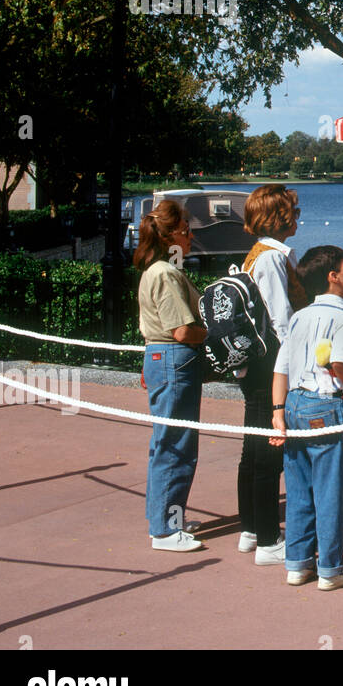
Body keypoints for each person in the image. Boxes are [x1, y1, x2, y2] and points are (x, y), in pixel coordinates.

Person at [268, 245, 343, 590]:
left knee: (300, 486)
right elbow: (339, 365)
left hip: (294, 403)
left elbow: (282, 369)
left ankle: (298, 562)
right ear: (334, 277)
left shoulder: (299, 316)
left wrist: (278, 413)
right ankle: (331, 566)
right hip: (328, 405)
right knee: (333, 489)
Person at [237, 184, 305, 566]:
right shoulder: (274, 259)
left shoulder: (255, 255)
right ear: (280, 217)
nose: (297, 218)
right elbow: (283, 320)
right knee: (268, 450)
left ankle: (251, 527)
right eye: (293, 212)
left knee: (253, 448)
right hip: (272, 365)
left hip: (255, 363)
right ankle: (267, 538)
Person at [135, 201, 207, 552]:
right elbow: (181, 330)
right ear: (169, 236)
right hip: (174, 358)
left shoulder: (160, 270)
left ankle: (167, 517)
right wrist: (213, 334)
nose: (191, 236)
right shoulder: (164, 273)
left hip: (164, 358)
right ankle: (164, 528)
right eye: (185, 230)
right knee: (175, 443)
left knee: (170, 441)